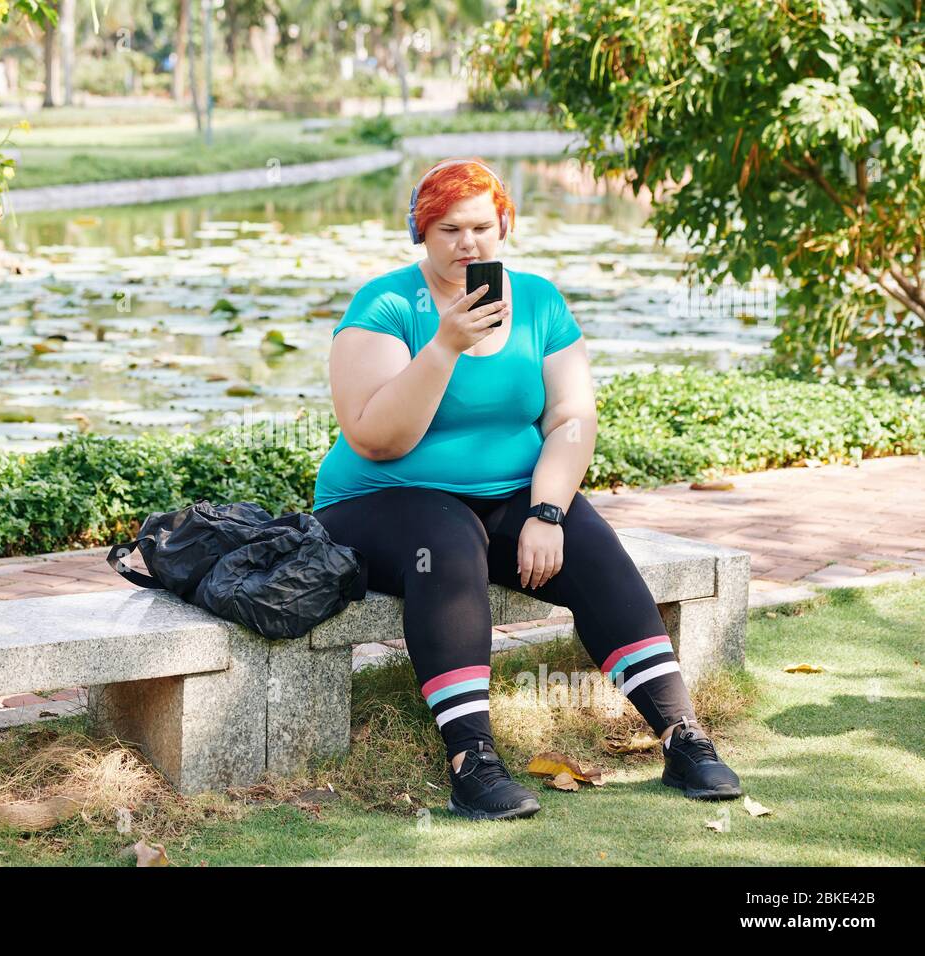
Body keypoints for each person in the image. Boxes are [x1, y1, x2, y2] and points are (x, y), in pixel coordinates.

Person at [310, 157, 743, 821]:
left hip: (508, 492)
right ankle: (471, 763)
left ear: (504, 226)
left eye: (481, 226)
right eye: (448, 228)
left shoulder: (539, 300)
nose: (467, 243)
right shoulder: (389, 304)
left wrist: (546, 510)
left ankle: (682, 735)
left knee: (588, 543)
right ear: (419, 235)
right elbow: (375, 438)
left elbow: (571, 417)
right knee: (448, 540)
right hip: (377, 503)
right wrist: (445, 346)